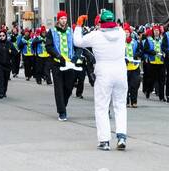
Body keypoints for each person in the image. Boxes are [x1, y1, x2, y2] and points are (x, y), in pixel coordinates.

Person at [73, 11, 127, 150]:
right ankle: (121, 136)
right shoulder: (121, 32)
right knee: (120, 105)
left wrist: (79, 26)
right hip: (121, 71)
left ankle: (104, 140)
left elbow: (77, 42)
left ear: (100, 23)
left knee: (102, 107)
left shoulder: (96, 35)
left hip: (104, 72)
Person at [44, 10, 81, 120]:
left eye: (65, 18)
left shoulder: (71, 31)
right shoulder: (52, 31)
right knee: (59, 88)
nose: (64, 21)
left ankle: (62, 105)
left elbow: (78, 45)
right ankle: (62, 112)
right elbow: (48, 46)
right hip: (57, 63)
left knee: (69, 87)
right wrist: (58, 56)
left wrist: (76, 57)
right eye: (62, 19)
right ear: (58, 20)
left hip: (69, 64)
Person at [141, 24, 165, 101]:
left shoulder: (163, 39)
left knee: (161, 80)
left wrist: (164, 53)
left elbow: (165, 48)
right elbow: (145, 50)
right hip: (152, 62)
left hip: (161, 62)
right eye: (155, 31)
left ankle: (161, 96)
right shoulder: (149, 40)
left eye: (157, 30)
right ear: (153, 32)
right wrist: (153, 52)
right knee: (151, 79)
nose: (156, 32)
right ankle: (148, 91)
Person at [123, 26, 142, 107]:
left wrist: (136, 55)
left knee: (134, 85)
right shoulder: (119, 42)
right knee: (125, 86)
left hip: (134, 66)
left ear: (130, 33)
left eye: (127, 32)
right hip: (124, 67)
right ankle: (126, 101)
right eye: (125, 32)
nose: (126, 34)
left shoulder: (135, 42)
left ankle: (134, 101)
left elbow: (140, 51)